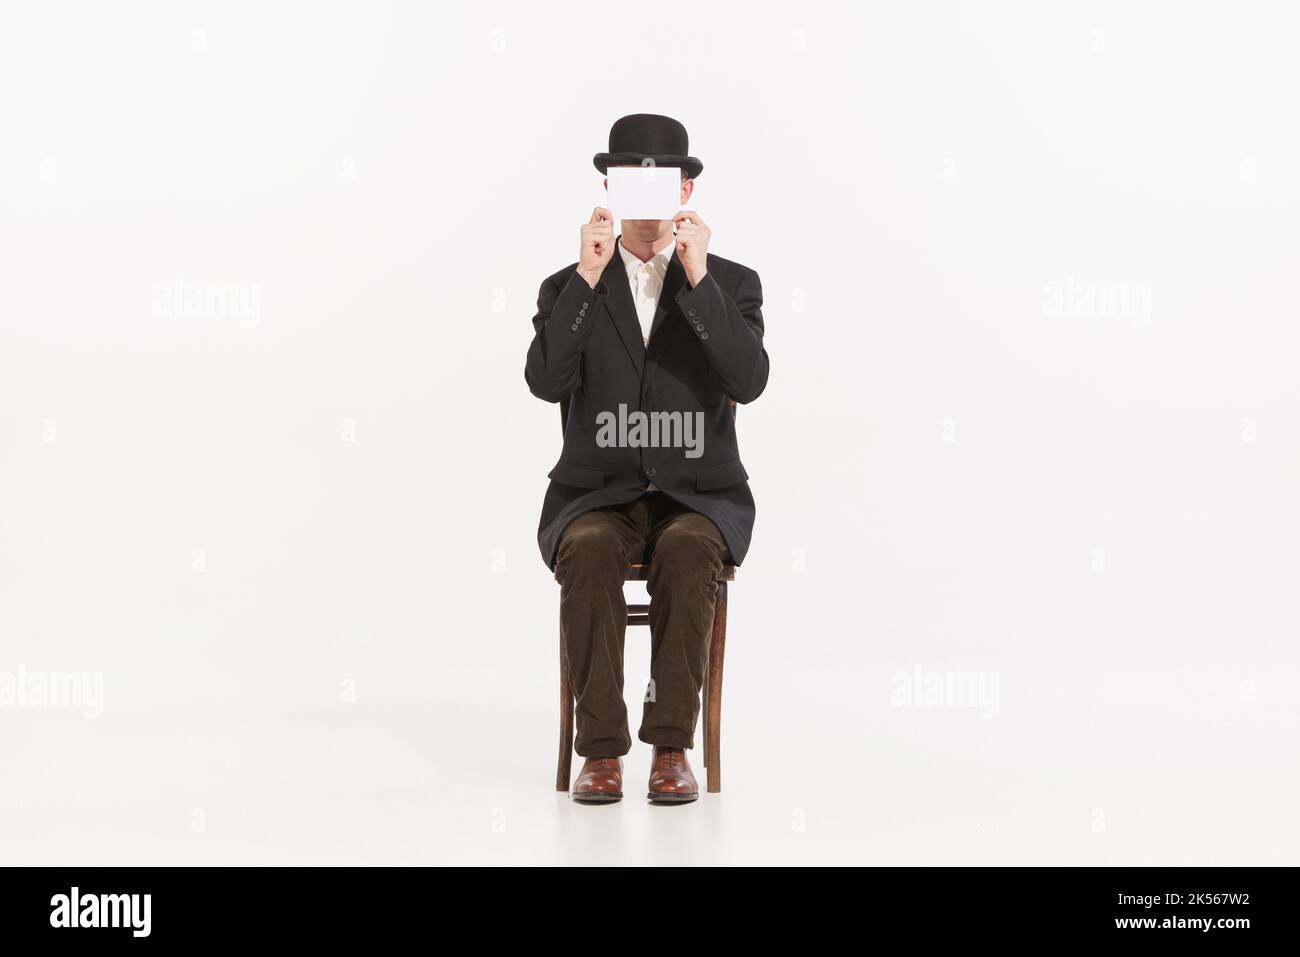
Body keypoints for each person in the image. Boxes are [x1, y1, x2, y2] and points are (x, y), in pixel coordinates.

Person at [525, 114, 769, 803]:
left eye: (661, 181)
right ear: (609, 186)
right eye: (630, 180)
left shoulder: (731, 283)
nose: (646, 200)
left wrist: (698, 281)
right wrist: (586, 277)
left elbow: (749, 380)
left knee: (691, 547)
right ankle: (600, 753)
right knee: (591, 546)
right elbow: (545, 381)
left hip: (700, 493)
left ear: (685, 190)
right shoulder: (568, 285)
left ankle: (671, 746)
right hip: (597, 491)